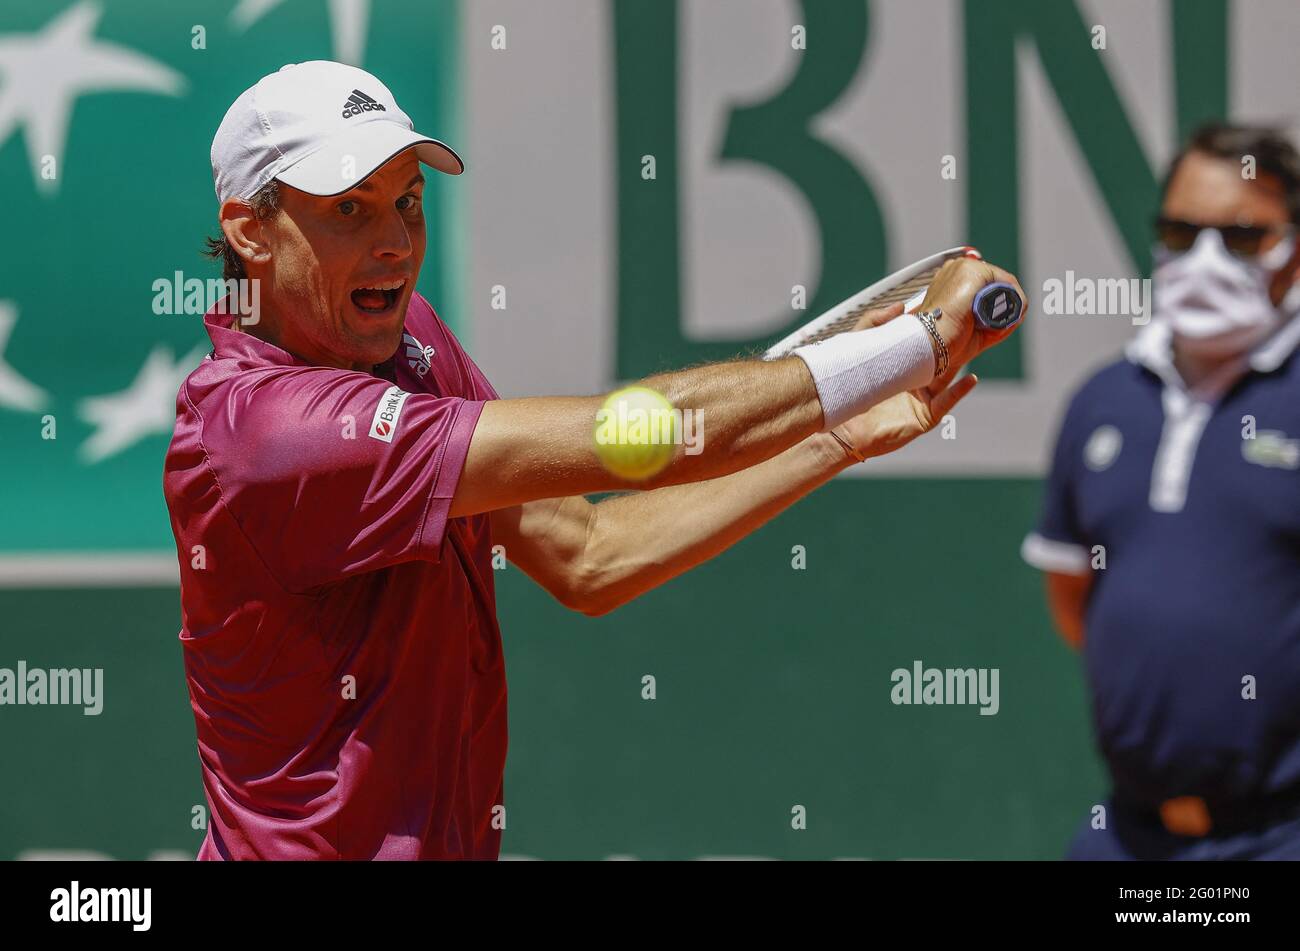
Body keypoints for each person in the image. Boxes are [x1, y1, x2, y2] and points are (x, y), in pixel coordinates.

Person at [166, 60, 1024, 859]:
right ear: (250, 232)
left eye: (408, 201)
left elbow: (589, 555)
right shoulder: (268, 436)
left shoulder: (410, 342)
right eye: (350, 209)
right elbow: (634, 434)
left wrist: (832, 436)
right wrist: (924, 340)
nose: (395, 241)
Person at [1022, 124, 1300, 860]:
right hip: (1131, 836)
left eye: (1241, 237)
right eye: (1182, 231)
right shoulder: (1101, 403)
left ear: (1294, 249)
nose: (1204, 261)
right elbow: (1074, 599)